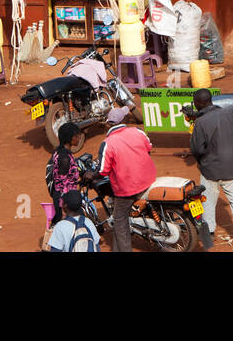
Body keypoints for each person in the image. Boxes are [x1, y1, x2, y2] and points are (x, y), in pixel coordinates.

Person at [189, 88, 233, 248]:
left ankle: (208, 234)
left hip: (210, 169)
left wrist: (203, 158)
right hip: (231, 167)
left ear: (198, 104)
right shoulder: (229, 114)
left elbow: (197, 149)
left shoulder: (200, 123)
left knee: (207, 201)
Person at [94, 108, 156, 253]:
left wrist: (91, 175)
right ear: (124, 120)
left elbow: (102, 170)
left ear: (109, 124)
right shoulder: (138, 132)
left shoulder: (108, 143)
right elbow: (148, 148)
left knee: (119, 219)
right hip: (148, 179)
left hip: (127, 189)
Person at [44, 122, 81, 220]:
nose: (79, 138)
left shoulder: (59, 152)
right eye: (77, 136)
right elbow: (62, 185)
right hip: (66, 202)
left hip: (66, 199)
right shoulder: (64, 158)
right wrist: (64, 210)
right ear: (71, 138)